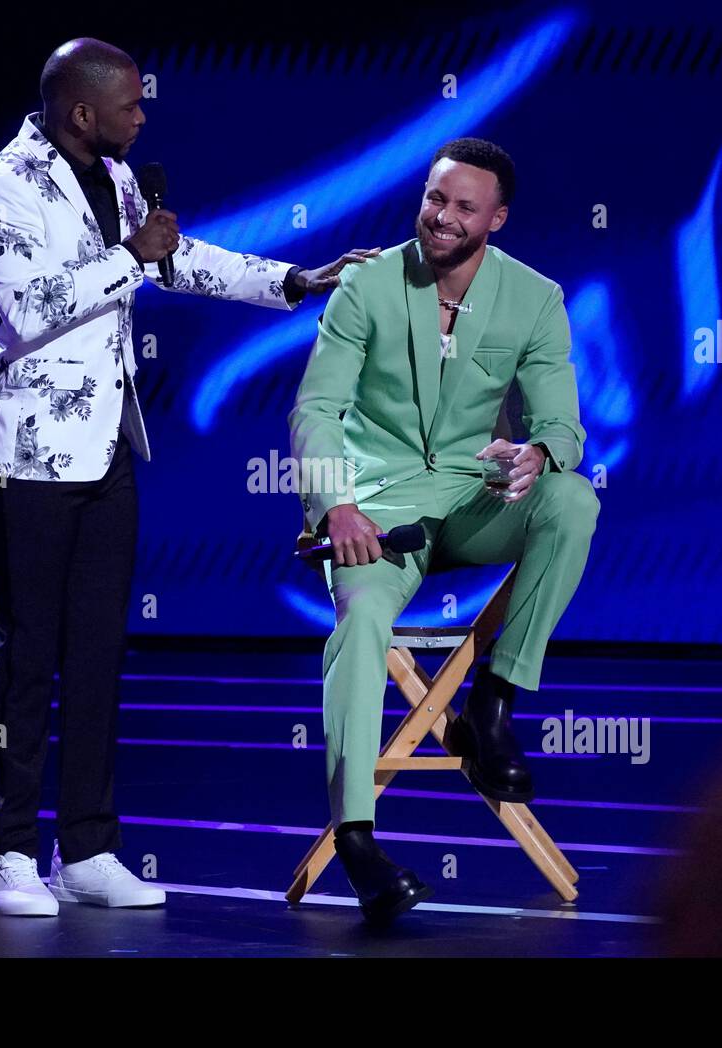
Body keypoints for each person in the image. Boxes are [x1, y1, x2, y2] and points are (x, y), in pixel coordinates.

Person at [0, 37, 375, 916]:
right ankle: (8, 854)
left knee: (99, 652)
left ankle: (89, 850)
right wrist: (130, 258)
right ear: (82, 112)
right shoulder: (4, 188)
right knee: (29, 656)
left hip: (107, 449)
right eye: (131, 106)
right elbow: (22, 317)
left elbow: (178, 257)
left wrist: (298, 280)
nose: (143, 118)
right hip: (25, 458)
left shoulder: (112, 177)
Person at [288, 138, 600, 923]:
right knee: (360, 624)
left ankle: (494, 702)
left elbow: (562, 422)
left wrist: (537, 452)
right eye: (435, 197)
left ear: (495, 218)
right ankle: (358, 841)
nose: (443, 216)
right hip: (374, 511)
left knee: (573, 501)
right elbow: (316, 409)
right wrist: (335, 507)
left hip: (473, 500)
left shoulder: (535, 298)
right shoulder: (365, 283)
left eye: (465, 206)